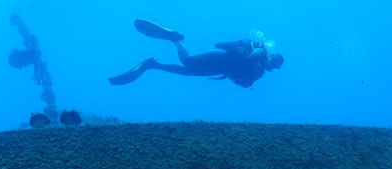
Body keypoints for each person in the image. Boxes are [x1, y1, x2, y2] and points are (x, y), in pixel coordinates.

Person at [108, 20, 284, 88]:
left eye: (274, 66)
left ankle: (153, 65)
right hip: (224, 56)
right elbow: (251, 59)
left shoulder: (260, 71)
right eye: (273, 61)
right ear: (271, 56)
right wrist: (251, 75)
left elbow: (244, 81)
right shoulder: (261, 53)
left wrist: (247, 80)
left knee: (187, 72)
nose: (272, 65)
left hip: (223, 68)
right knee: (187, 60)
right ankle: (175, 38)